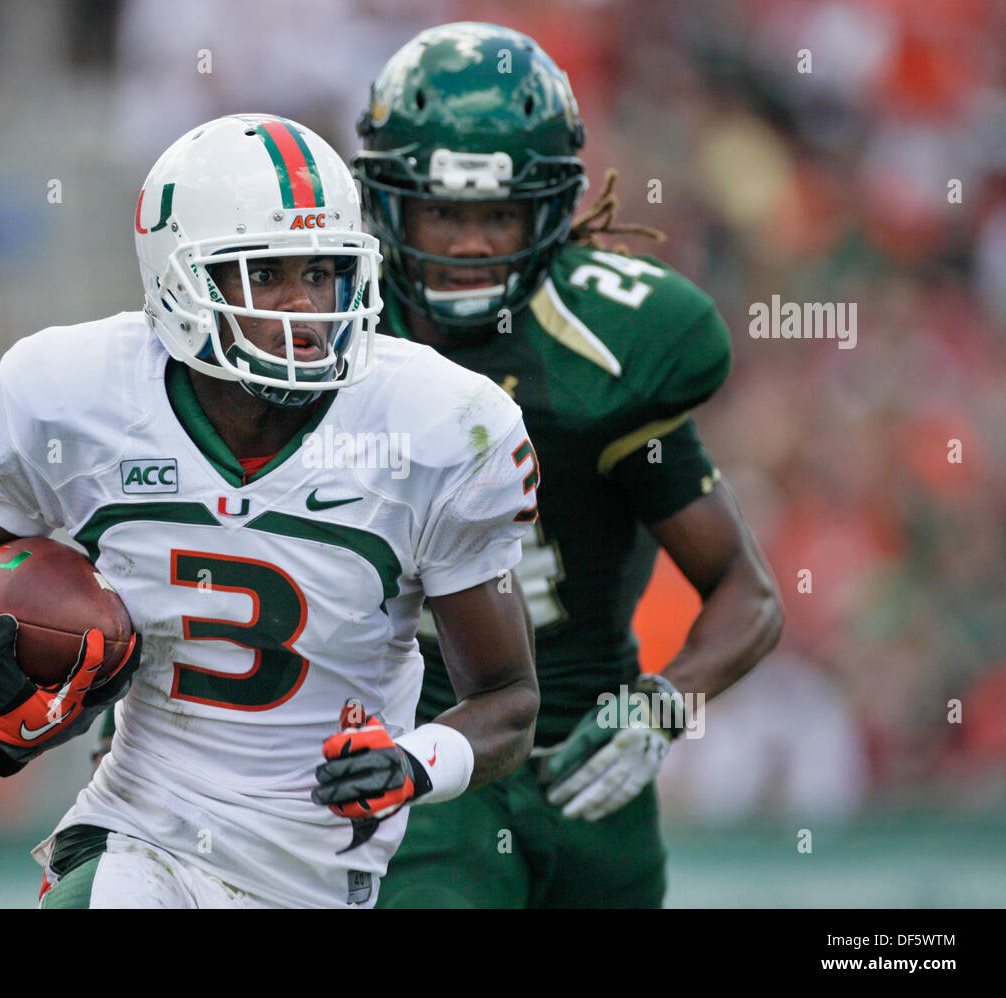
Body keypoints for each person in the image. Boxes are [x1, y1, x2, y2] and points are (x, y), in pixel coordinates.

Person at [0, 113, 540, 909]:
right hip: (139, 834)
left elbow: (508, 700)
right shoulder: (76, 395)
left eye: (323, 272)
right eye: (267, 275)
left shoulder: (439, 424)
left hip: (315, 873)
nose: (306, 308)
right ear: (180, 283)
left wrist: (413, 763)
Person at [353, 23, 784, 908]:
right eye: (444, 211)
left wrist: (659, 709)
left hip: (589, 762)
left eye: (496, 215)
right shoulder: (331, 346)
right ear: (390, 204)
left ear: (549, 209)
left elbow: (749, 590)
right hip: (424, 763)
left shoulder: (607, 351)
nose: (469, 244)